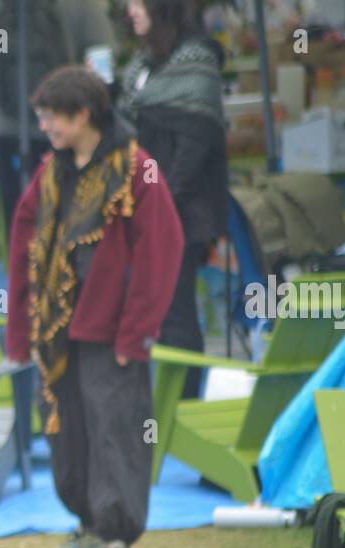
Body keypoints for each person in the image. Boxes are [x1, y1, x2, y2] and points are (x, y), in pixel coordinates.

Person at [6, 66, 183, 548]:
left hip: (112, 331)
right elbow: (23, 244)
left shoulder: (139, 168)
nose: (46, 128)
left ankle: (118, 541)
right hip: (57, 330)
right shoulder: (50, 172)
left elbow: (162, 248)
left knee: (116, 427)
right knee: (68, 429)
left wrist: (136, 331)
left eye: (52, 117)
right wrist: (21, 331)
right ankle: (87, 525)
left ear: (84, 115)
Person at [119, 0, 227, 399]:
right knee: (152, 308)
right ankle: (159, 404)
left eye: (138, 3)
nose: (130, 10)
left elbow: (194, 147)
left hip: (180, 210)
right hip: (143, 207)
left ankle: (184, 406)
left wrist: (161, 202)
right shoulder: (142, 66)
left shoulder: (196, 64)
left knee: (176, 310)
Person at [0, 0, 116, 228]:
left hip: (9, 130)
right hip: (70, 131)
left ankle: (22, 264)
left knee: (20, 221)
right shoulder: (84, 4)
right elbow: (103, 68)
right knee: (69, 219)